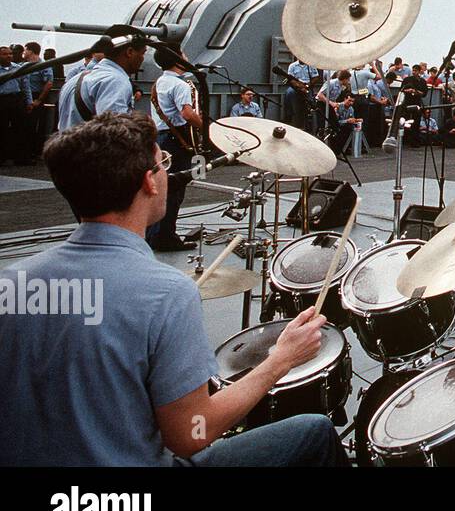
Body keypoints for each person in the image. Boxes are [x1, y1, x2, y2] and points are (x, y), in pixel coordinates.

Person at [0, 113, 346, 466]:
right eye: (163, 163)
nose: (168, 172)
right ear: (149, 182)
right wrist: (281, 360)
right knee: (314, 431)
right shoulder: (165, 294)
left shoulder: (12, 282)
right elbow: (190, 436)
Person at [145, 47, 203, 252]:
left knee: (161, 187)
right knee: (174, 190)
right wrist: (206, 127)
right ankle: (165, 237)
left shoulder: (159, 82)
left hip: (161, 138)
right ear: (178, 60)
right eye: (184, 55)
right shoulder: (180, 85)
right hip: (176, 141)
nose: (187, 58)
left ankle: (153, 234)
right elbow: (187, 114)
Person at [57, 28, 147, 130]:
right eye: (142, 53)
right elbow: (116, 133)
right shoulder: (115, 81)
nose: (142, 58)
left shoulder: (75, 79)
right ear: (129, 52)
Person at [20, 42, 54, 164]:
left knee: (34, 126)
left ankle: (33, 152)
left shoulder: (43, 66)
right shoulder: (22, 66)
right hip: (23, 97)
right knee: (23, 126)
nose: (23, 52)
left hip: (36, 97)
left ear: (31, 51)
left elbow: (48, 83)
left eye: (26, 50)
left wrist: (39, 100)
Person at [0, 45, 32, 166]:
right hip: (1, 100)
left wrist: (29, 102)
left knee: (21, 128)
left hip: (16, 99)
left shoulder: (18, 69)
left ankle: (22, 157)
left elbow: (26, 86)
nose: (9, 56)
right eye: (5, 54)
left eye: (10, 54)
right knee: (1, 129)